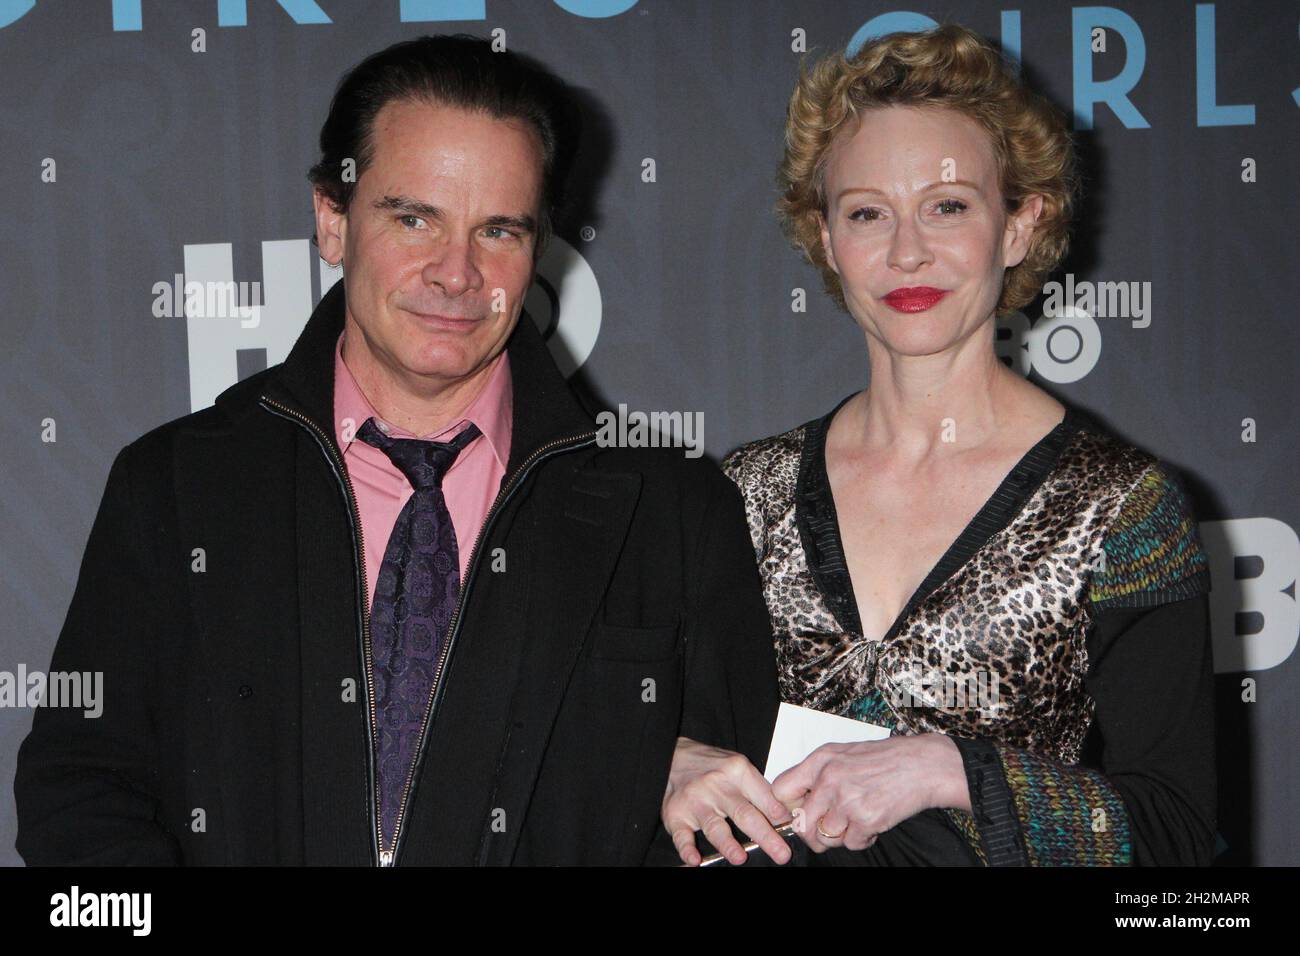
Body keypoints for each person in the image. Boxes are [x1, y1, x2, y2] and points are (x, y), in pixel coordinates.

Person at [14, 34, 779, 866]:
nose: (456, 273)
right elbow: (78, 792)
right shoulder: (177, 485)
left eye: (499, 230)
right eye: (414, 218)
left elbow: (729, 837)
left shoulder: (670, 512)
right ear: (331, 220)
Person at [667, 23, 1216, 866]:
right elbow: (650, 741)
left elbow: (1178, 835)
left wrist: (953, 769)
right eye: (867, 213)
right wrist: (668, 764)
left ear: (1020, 226)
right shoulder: (743, 492)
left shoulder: (1121, 509)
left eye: (948, 206)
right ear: (825, 239)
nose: (908, 250)